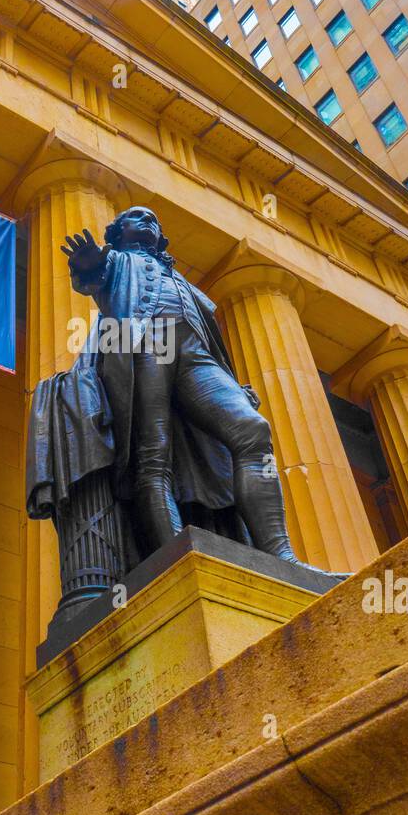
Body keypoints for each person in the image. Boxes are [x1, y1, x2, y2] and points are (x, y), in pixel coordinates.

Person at [61, 205, 303, 563]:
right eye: (137, 217)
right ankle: (179, 559)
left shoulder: (180, 278)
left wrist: (234, 386)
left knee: (252, 430)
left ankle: (280, 554)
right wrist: (86, 262)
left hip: (195, 356)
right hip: (146, 344)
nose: (148, 220)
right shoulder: (116, 262)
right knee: (153, 455)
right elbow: (92, 276)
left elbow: (211, 338)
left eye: (153, 219)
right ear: (118, 232)